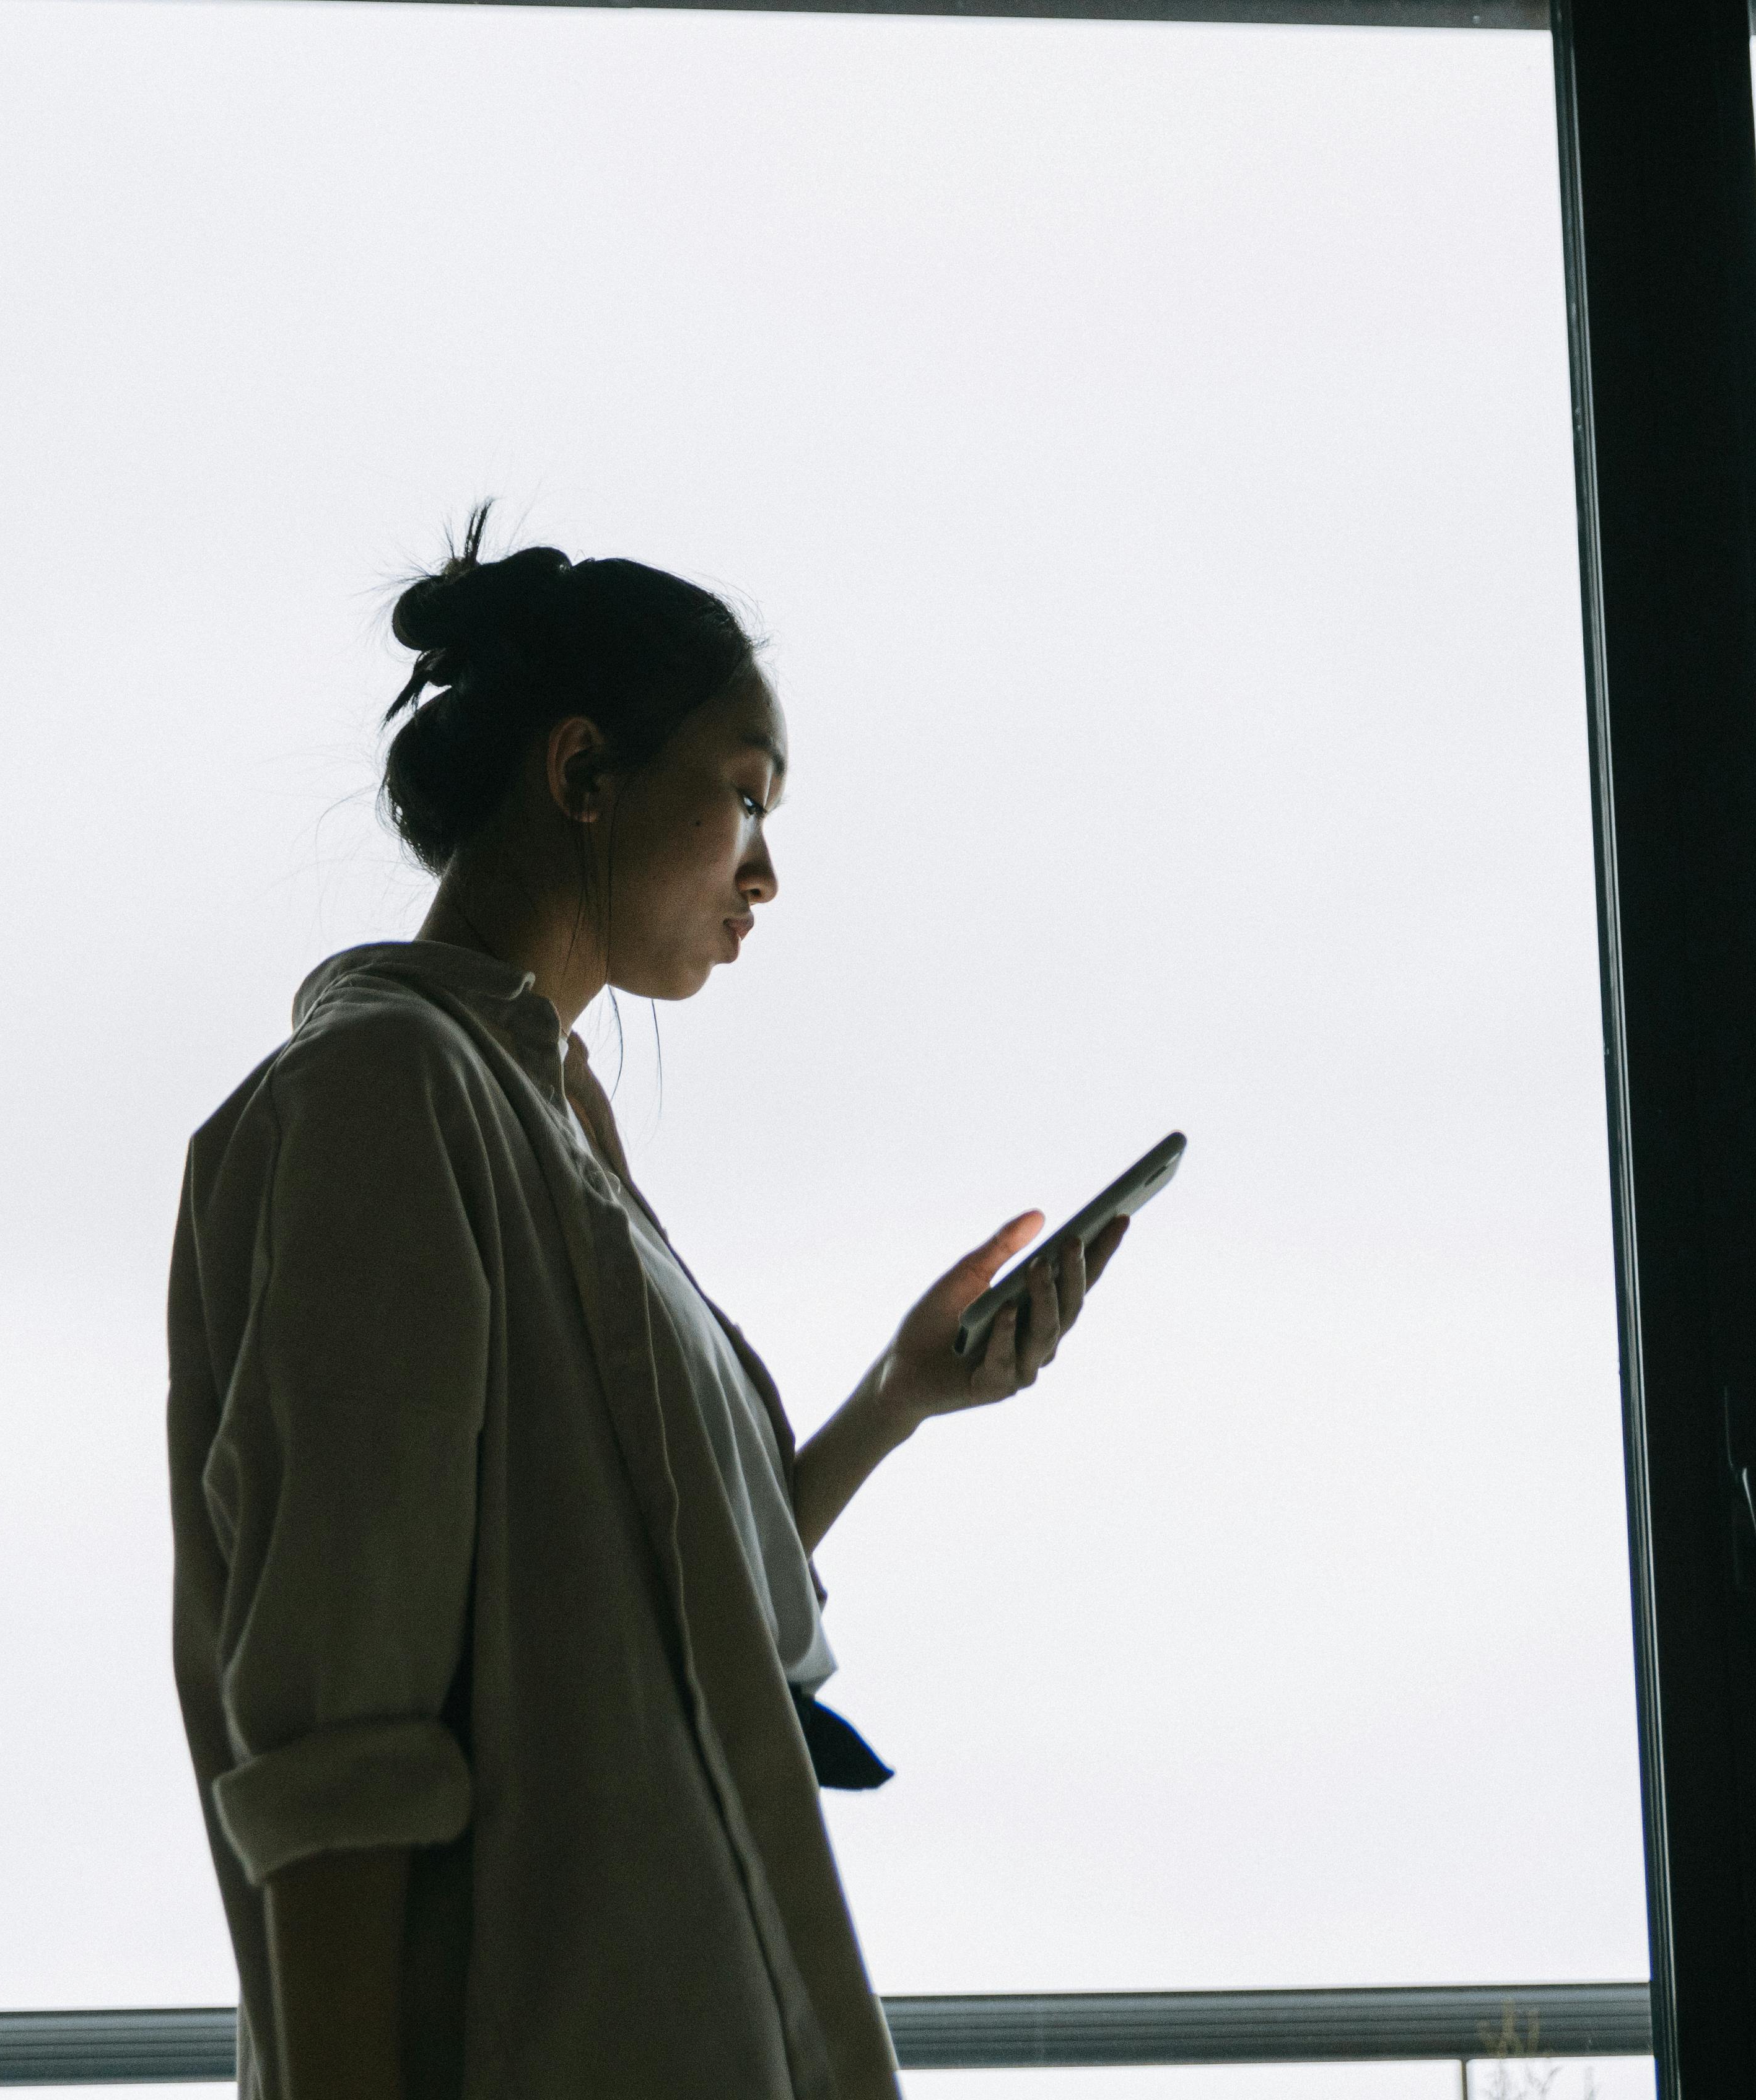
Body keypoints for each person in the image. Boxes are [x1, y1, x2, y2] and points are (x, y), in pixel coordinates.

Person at [167, 516, 1121, 2100]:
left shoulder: (539, 1122)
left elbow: (688, 1623)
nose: (765, 866)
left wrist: (897, 1395)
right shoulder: (384, 1095)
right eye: (744, 792)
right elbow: (340, 1733)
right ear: (583, 772)